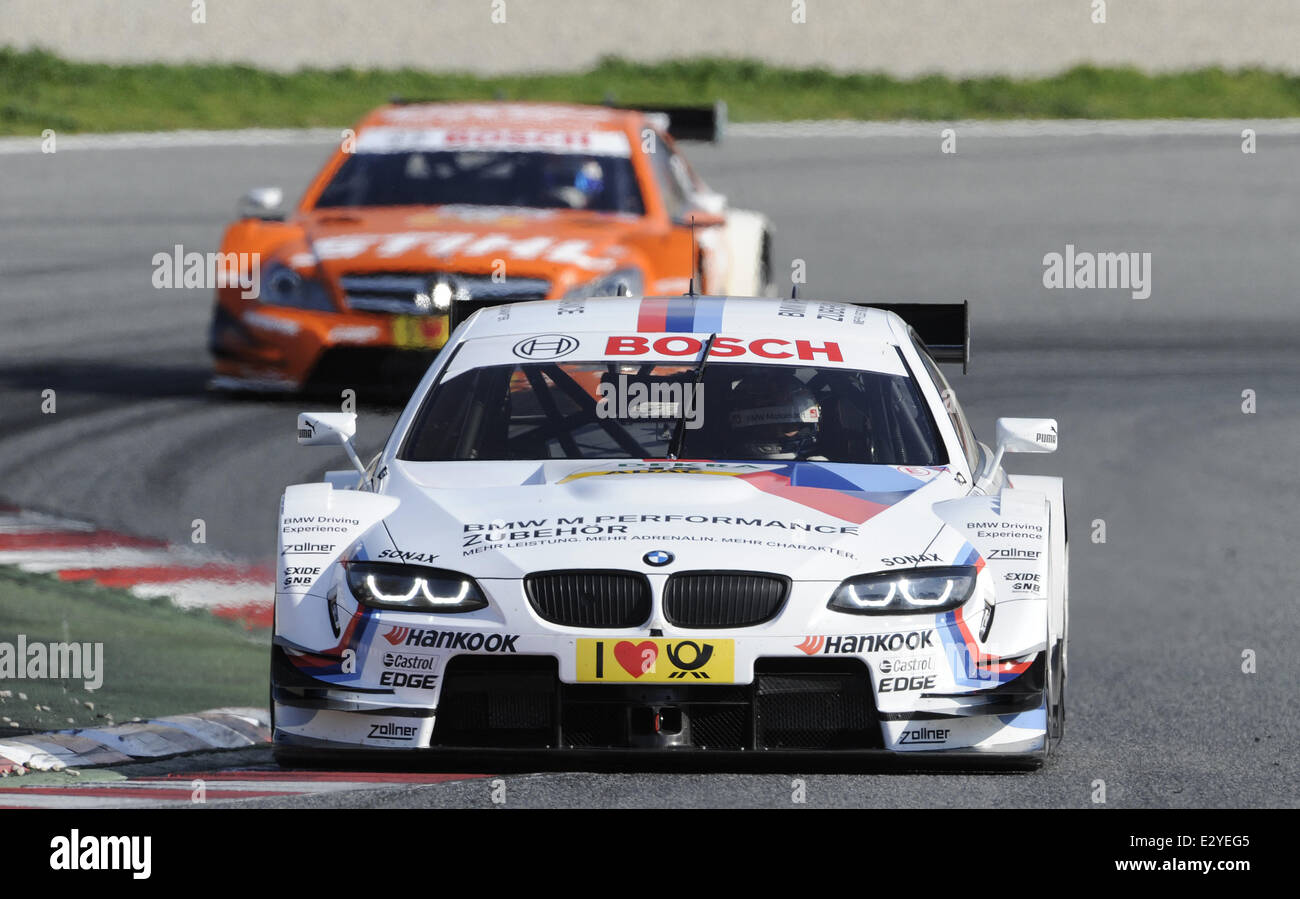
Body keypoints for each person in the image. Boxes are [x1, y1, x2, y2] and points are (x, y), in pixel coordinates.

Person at [726, 370, 823, 460]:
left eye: (787, 427)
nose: (779, 434)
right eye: (767, 428)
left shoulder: (825, 466)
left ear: (807, 427)